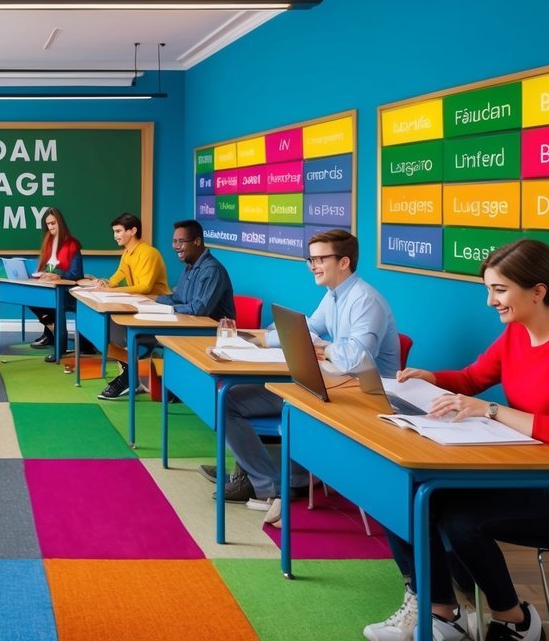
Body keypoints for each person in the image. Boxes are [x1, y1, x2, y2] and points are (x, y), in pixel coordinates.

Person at [364, 239, 549, 641]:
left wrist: (492, 410)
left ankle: (516, 620)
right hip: (526, 470)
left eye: (499, 290)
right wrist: (432, 378)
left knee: (463, 522)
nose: (490, 301)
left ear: (538, 291)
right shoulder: (516, 334)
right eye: (489, 290)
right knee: (404, 494)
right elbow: (474, 378)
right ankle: (441, 609)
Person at [201, 229, 399, 519]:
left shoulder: (365, 300)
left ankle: (273, 484)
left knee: (244, 401)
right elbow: (309, 329)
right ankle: (277, 479)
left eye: (320, 259)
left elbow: (355, 358)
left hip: (360, 396)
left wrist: (324, 347)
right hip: (331, 383)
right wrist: (257, 339)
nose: (313, 266)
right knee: (228, 398)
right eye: (311, 259)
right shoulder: (334, 296)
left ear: (344, 262)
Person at [80, 212, 170, 400]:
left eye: (119, 231)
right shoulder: (127, 253)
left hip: (155, 307)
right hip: (137, 304)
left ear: (133, 230)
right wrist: (104, 284)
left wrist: (112, 292)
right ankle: (129, 375)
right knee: (106, 331)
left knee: (117, 331)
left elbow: (145, 287)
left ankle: (129, 376)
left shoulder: (149, 253)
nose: (116, 236)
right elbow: (118, 275)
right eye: (114, 232)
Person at [27, 208, 84, 363]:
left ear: (60, 223)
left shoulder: (72, 244)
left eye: (53, 223)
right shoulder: (50, 243)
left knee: (52, 304)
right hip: (53, 289)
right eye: (48, 224)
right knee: (29, 296)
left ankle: (57, 341)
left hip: (68, 291)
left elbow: (76, 274)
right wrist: (43, 274)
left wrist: (57, 276)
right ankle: (51, 328)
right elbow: (50, 268)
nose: (51, 227)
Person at [156, 219, 235, 322]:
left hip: (213, 332)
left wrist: (170, 308)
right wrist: (155, 301)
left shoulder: (212, 270)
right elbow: (177, 298)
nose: (175, 246)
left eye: (181, 241)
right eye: (174, 241)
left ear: (197, 242)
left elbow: (199, 309)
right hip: (190, 324)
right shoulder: (190, 265)